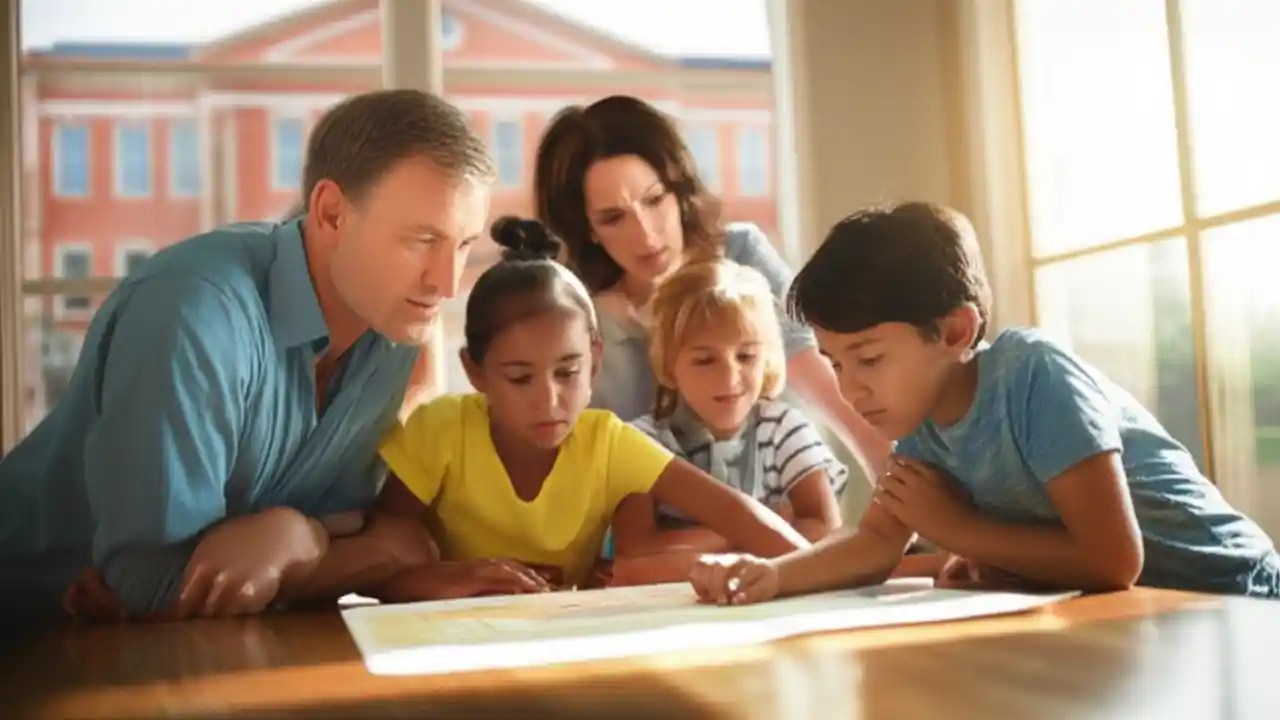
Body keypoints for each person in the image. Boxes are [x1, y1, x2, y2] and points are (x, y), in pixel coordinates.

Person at [0, 89, 491, 631]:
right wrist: (308, 540)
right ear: (330, 214)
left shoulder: (394, 330)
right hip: (32, 634)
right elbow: (150, 586)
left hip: (172, 647)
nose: (447, 282)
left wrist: (300, 540)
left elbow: (361, 529)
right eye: (423, 239)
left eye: (465, 245)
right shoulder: (194, 311)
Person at [688, 202, 1280, 605]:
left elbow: (1113, 560)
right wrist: (771, 576)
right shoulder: (920, 428)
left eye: (868, 360)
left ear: (954, 332)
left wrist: (962, 531)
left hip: (1232, 590)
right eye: (835, 363)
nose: (850, 388)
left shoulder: (1034, 375)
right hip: (1150, 612)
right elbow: (873, 543)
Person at [369, 218, 809, 598]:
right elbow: (375, 562)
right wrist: (443, 580)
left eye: (567, 372)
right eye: (520, 378)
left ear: (595, 361)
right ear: (475, 371)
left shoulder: (609, 442)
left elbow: (740, 515)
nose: (549, 399)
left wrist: (820, 570)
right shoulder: (442, 430)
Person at [532, 95, 889, 481]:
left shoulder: (742, 256)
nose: (646, 234)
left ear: (678, 190)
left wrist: (901, 502)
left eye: (654, 200)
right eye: (614, 218)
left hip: (781, 508)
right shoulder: (581, 315)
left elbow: (838, 399)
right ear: (588, 230)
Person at [625, 258, 846, 556]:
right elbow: (636, 550)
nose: (730, 378)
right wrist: (756, 532)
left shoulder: (784, 429)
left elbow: (824, 529)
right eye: (705, 360)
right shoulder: (640, 442)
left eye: (746, 357)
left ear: (767, 358)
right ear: (668, 363)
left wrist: (698, 543)